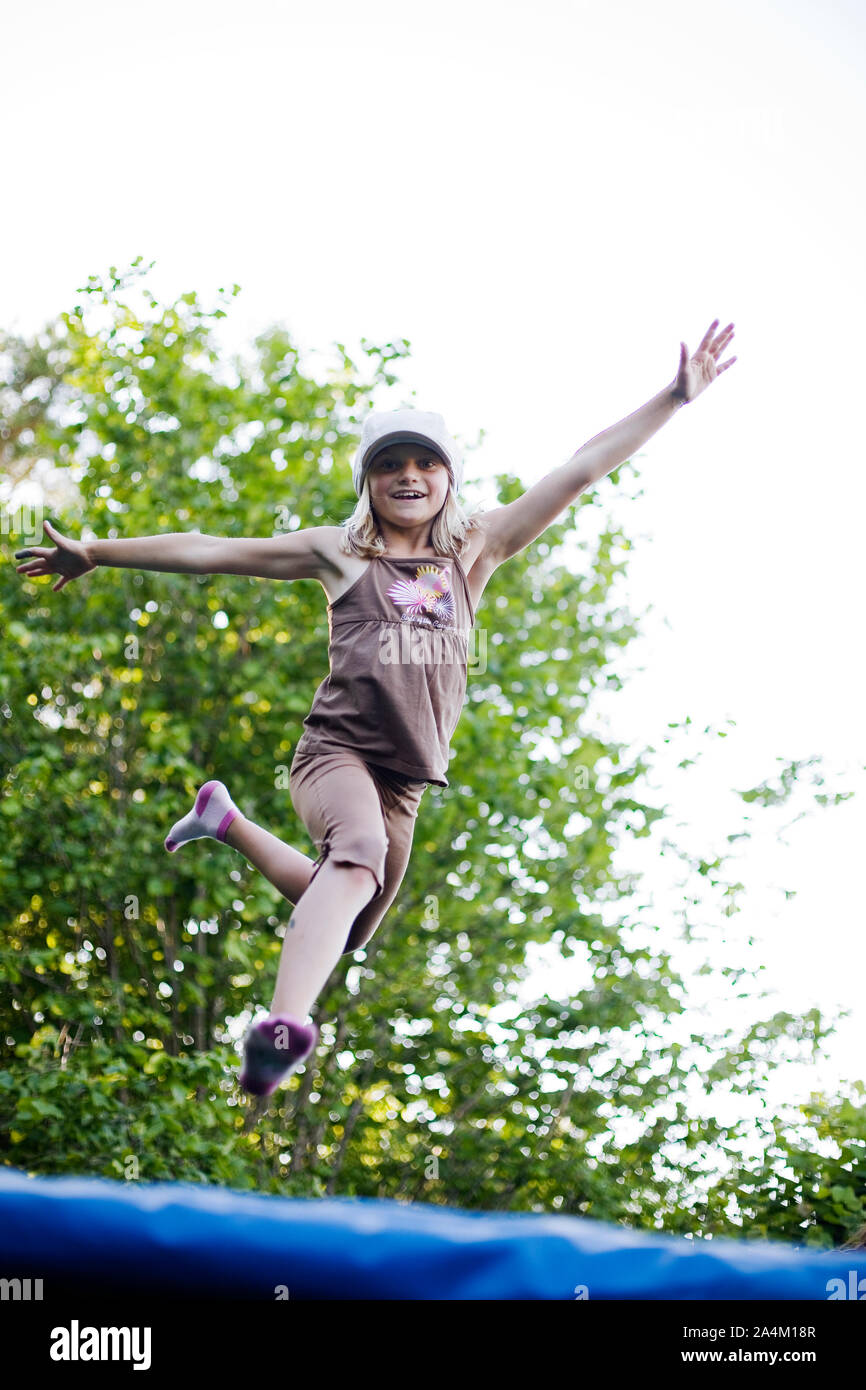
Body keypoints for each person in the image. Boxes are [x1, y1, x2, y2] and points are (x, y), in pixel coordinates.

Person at [13, 319, 736, 1097]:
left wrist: (673, 396)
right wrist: (97, 551)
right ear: (369, 482)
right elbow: (211, 547)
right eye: (390, 464)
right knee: (354, 855)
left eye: (426, 461)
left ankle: (224, 820)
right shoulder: (341, 553)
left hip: (407, 783)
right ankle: (281, 1028)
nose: (409, 475)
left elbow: (581, 469)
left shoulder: (476, 551)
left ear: (449, 478)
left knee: (350, 919)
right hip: (336, 756)